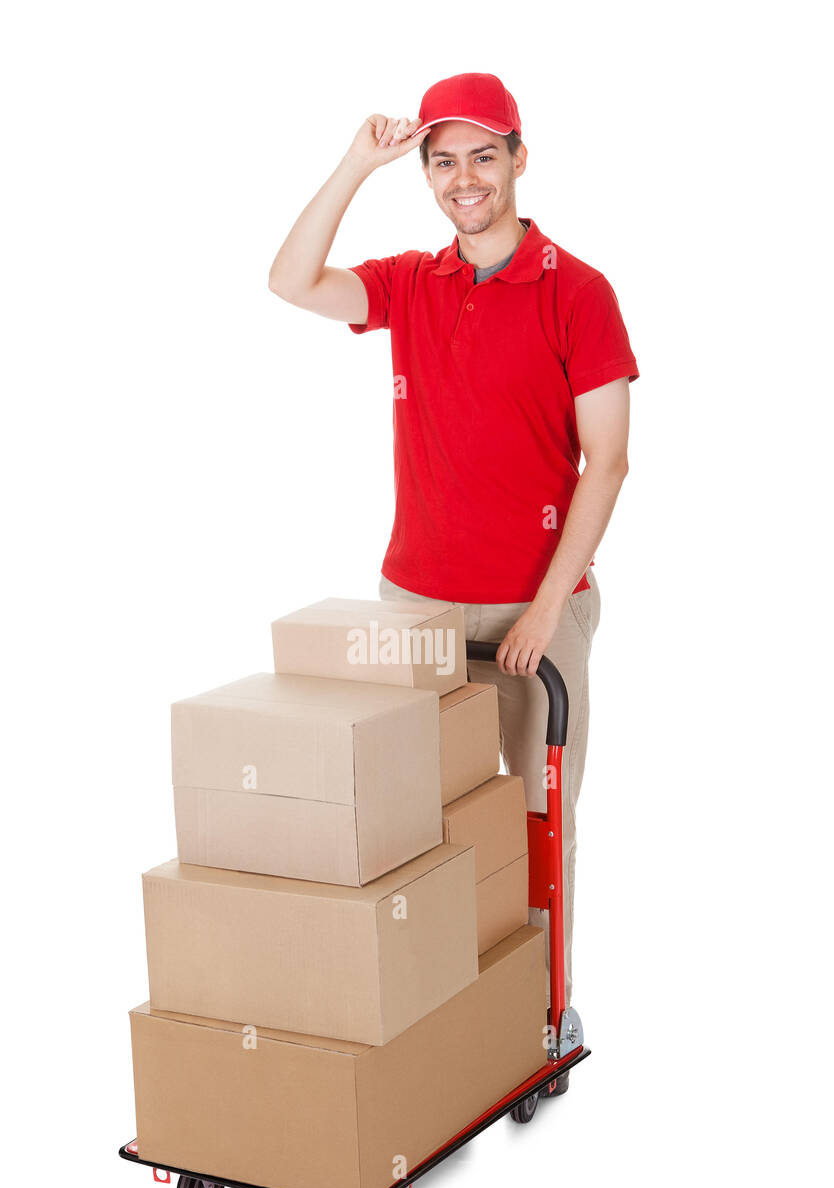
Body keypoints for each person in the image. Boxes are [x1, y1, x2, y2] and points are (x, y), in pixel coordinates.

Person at [269, 72, 639, 1002]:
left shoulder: (578, 291)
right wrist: (356, 163)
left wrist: (545, 613)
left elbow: (607, 463)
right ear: (426, 174)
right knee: (419, 823)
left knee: (538, 818)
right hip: (418, 603)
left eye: (483, 157)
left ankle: (540, 1009)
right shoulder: (411, 282)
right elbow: (290, 280)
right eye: (443, 162)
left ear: (519, 159)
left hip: (534, 606)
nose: (464, 179)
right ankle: (443, 1015)